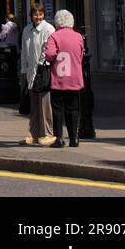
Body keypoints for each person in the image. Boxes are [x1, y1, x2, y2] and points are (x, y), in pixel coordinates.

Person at [43, 9, 85, 148]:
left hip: (59, 80)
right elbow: (80, 54)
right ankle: (74, 138)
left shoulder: (54, 37)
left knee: (57, 110)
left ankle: (59, 138)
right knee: (73, 110)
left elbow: (49, 55)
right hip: (74, 79)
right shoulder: (78, 36)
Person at [19, 4, 55, 146]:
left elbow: (47, 50)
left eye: (40, 14)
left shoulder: (49, 29)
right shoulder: (27, 30)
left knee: (45, 105)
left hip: (43, 72)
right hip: (30, 73)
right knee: (34, 106)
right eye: (35, 14)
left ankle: (47, 134)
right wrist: (23, 71)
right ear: (31, 16)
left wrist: (41, 67)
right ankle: (34, 134)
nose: (38, 17)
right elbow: (24, 52)